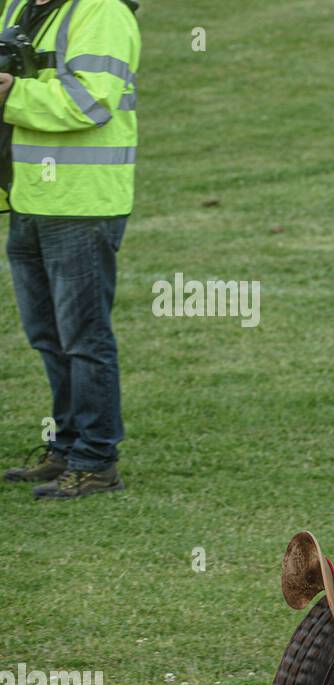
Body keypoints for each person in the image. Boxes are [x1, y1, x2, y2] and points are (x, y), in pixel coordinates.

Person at [0, 0, 140, 498]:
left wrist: (12, 92)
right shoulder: (18, 6)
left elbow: (91, 102)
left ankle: (96, 461)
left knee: (83, 338)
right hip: (30, 199)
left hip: (82, 204)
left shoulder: (101, 12)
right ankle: (66, 449)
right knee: (48, 335)